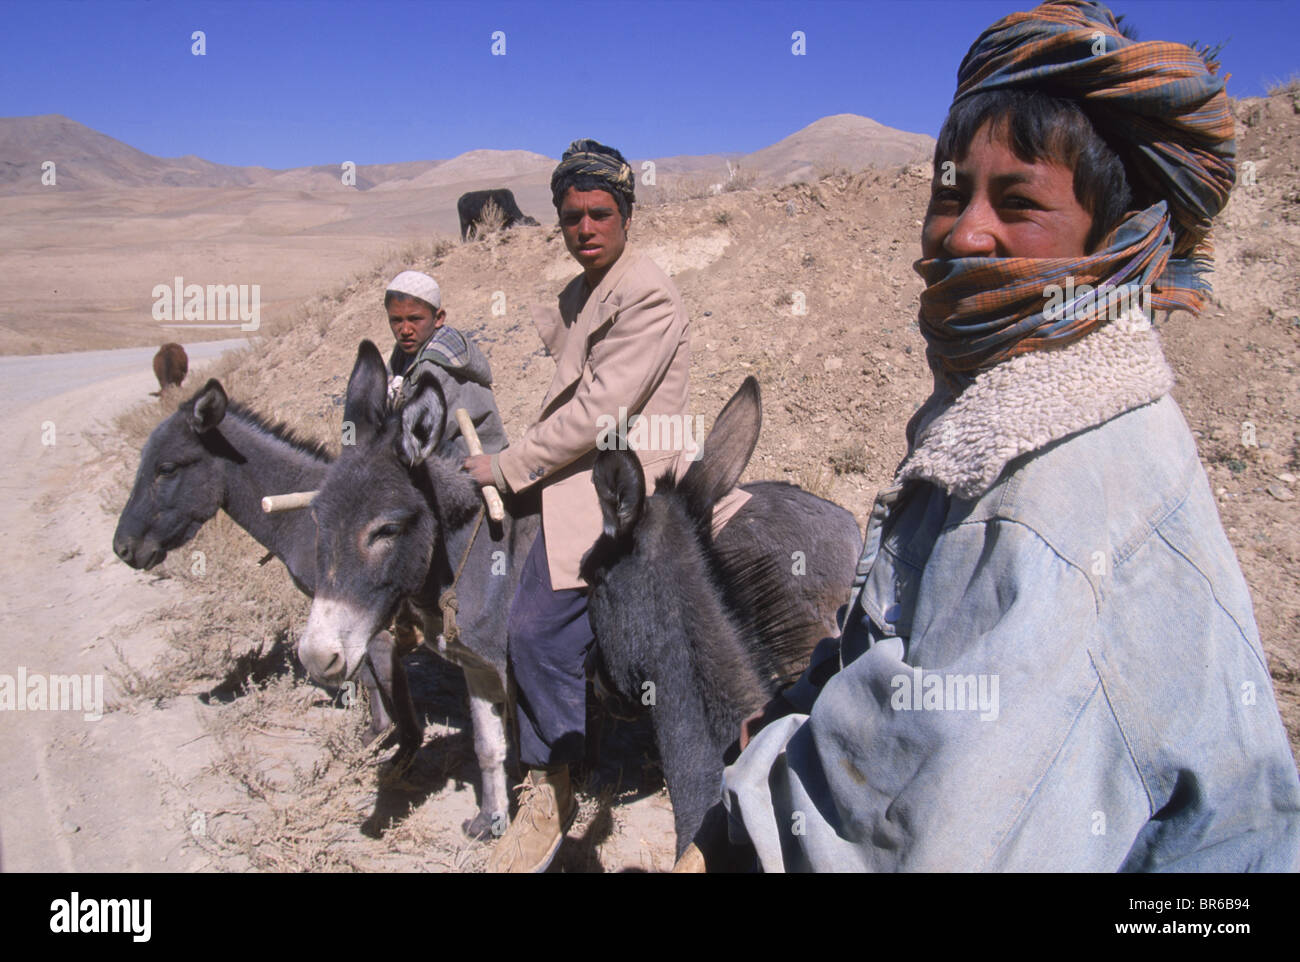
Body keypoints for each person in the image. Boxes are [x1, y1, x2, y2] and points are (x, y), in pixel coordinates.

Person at [716, 0, 1300, 872]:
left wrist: (752, 792)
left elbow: (916, 839)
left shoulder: (1047, 500)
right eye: (950, 193)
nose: (966, 231)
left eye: (1018, 203)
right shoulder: (1007, 410)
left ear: (1117, 241)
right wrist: (813, 693)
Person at [462, 139, 741, 872]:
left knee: (535, 628)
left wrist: (509, 465)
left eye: (599, 214)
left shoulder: (645, 290)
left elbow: (597, 413)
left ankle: (553, 787)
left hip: (626, 482)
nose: (585, 228)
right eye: (571, 217)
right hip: (588, 466)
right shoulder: (590, 289)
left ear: (626, 215)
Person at [383, 269, 506, 455]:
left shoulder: (434, 367)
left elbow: (424, 434)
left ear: (438, 318)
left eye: (415, 319)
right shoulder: (408, 349)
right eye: (396, 320)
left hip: (469, 460)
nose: (405, 329)